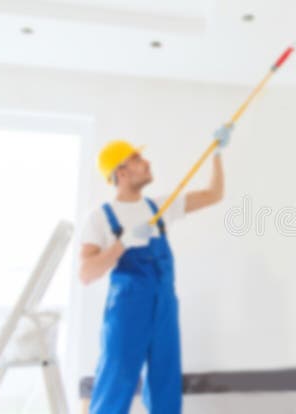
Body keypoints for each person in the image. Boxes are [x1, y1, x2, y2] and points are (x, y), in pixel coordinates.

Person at [79, 125, 233, 413]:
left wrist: (217, 154)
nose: (147, 162)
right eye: (137, 159)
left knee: (166, 384)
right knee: (115, 384)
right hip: (127, 311)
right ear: (120, 172)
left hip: (164, 307)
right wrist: (122, 244)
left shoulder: (160, 207)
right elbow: (86, 273)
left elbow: (214, 194)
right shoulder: (100, 217)